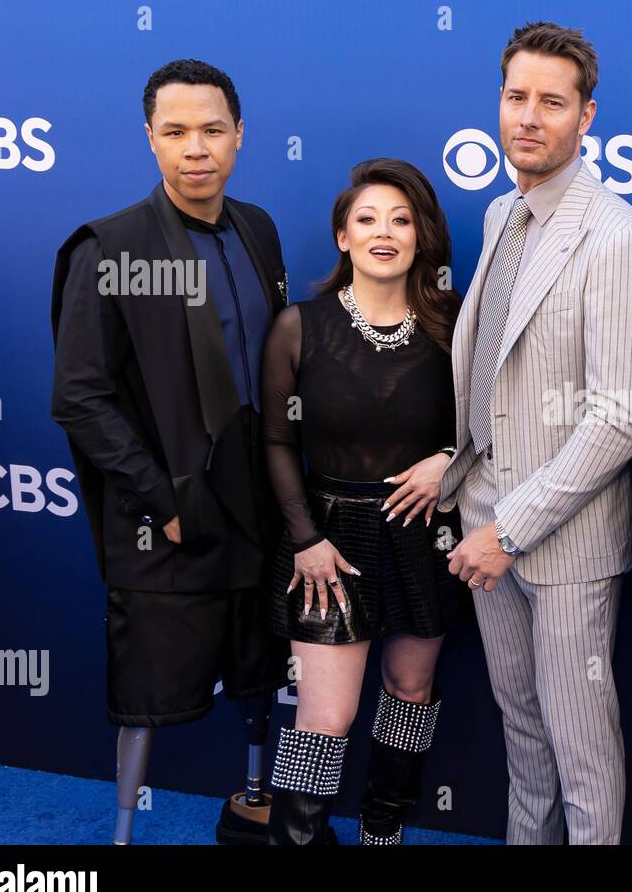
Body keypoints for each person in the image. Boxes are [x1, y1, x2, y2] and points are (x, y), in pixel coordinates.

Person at [438, 21, 632, 844]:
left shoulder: (616, 239)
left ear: (587, 117)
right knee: (521, 732)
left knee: (581, 752)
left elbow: (620, 418)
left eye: (552, 102)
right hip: (481, 518)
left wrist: (512, 527)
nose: (528, 117)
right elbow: (493, 374)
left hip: (559, 541)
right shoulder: (504, 212)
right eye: (515, 97)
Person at [50, 58, 291, 844]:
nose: (197, 148)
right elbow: (80, 398)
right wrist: (164, 502)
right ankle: (123, 831)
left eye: (213, 130)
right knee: (149, 689)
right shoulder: (106, 246)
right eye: (177, 131)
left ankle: (255, 797)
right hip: (167, 520)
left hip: (257, 508)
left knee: (259, 667)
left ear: (240, 137)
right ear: (149, 140)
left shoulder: (256, 227)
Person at [260, 158, 470, 845]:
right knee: (325, 719)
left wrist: (448, 461)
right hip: (329, 539)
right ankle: (297, 840)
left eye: (402, 219)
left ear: (421, 237)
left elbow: (495, 424)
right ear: (343, 236)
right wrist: (304, 539)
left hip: (425, 534)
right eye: (368, 219)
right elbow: (276, 441)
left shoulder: (454, 325)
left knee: (411, 693)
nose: (385, 232)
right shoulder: (299, 325)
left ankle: (385, 831)